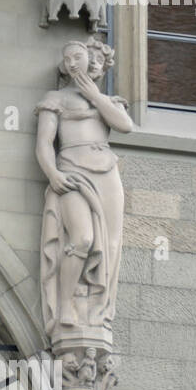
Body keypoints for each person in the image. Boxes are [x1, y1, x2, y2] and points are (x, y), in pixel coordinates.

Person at [35, 38, 133, 338]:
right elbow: (43, 144)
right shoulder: (56, 98)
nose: (82, 63)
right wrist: (52, 174)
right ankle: (66, 305)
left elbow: (125, 126)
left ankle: (100, 307)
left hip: (106, 173)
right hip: (73, 173)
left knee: (112, 244)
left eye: (91, 59)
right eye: (73, 57)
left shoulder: (109, 102)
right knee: (82, 238)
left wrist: (95, 96)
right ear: (65, 64)